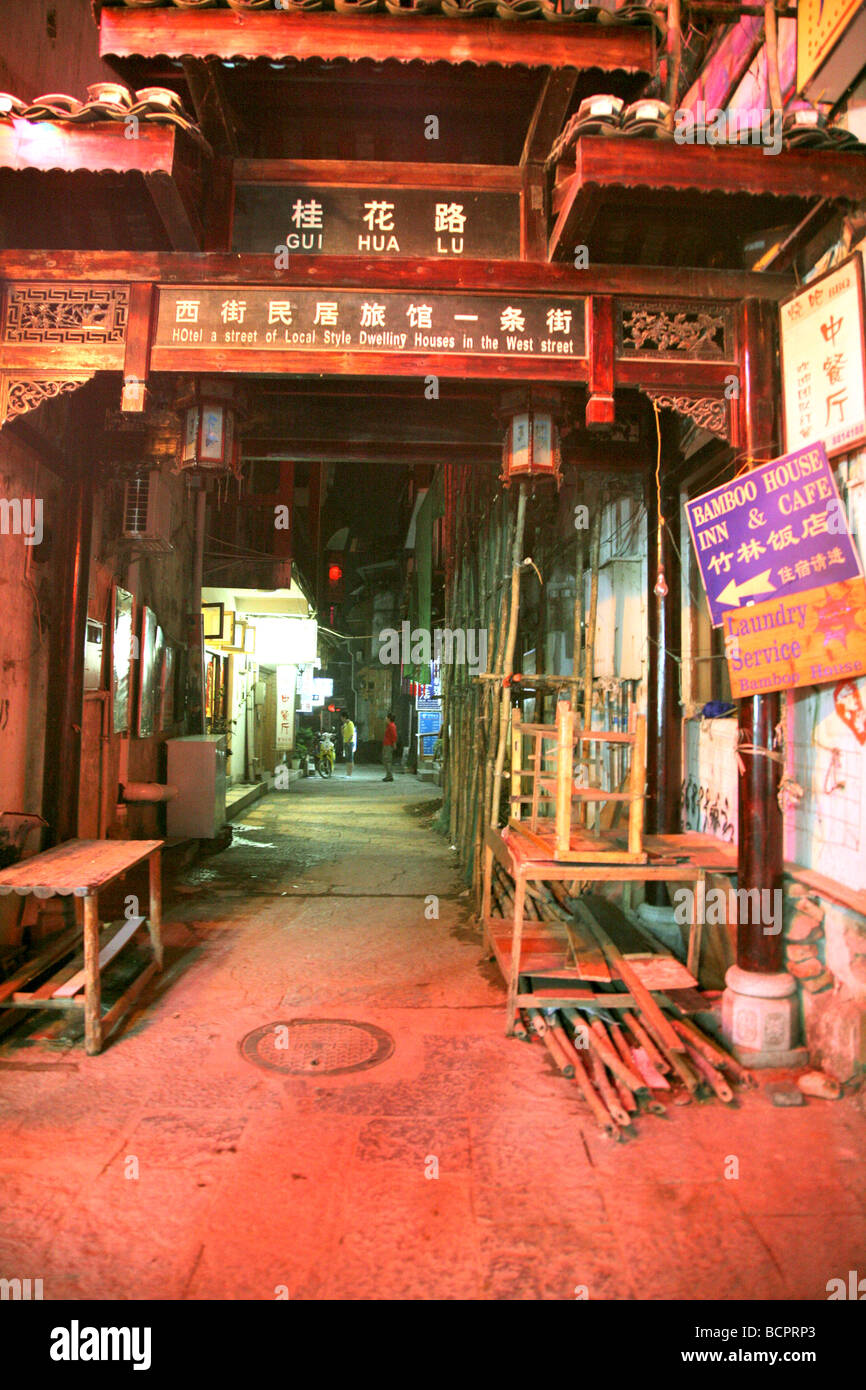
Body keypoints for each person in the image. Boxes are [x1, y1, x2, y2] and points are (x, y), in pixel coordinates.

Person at [382, 712, 398, 782]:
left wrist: (394, 743)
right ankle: (388, 775)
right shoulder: (389, 725)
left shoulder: (391, 726)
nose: (385, 719)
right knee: (385, 760)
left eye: (386, 717)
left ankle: (389, 776)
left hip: (388, 745)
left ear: (389, 718)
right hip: (386, 744)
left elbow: (394, 735)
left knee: (387, 760)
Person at [341, 710, 355, 777]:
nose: (341, 719)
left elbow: (352, 734)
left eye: (342, 718)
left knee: (350, 758)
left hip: (349, 743)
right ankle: (347, 773)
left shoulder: (350, 723)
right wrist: (342, 729)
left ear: (345, 717)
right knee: (347, 758)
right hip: (345, 742)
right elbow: (343, 735)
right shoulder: (345, 725)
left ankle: (350, 773)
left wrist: (348, 742)